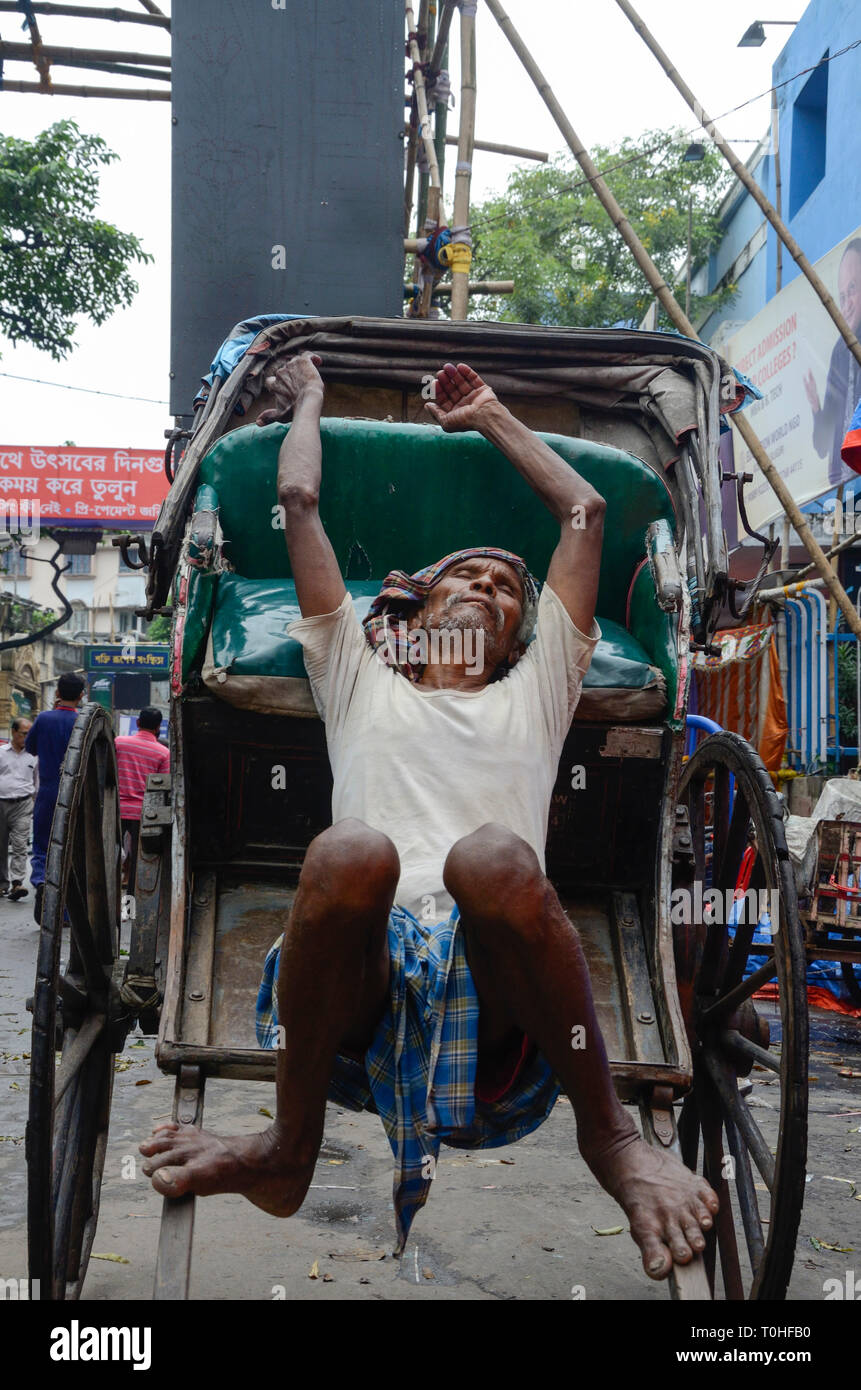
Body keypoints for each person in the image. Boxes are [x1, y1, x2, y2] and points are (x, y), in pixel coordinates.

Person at [141, 355, 718, 1280]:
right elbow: (297, 503)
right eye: (471, 580)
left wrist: (489, 411)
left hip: (501, 989)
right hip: (358, 983)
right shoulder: (353, 670)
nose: (492, 591)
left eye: (508, 591)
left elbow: (588, 517)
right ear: (415, 607)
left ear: (526, 631)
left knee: (489, 857)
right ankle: (287, 1149)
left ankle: (610, 1142)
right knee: (349, 851)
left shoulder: (541, 687)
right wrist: (312, 399)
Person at [25, 672, 85, 923]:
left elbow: (30, 748)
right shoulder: (84, 721)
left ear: (57, 693)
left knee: (42, 845)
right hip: (77, 796)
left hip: (48, 791)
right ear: (81, 696)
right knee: (73, 849)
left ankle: (40, 881)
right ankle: (67, 911)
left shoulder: (44, 718)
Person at [804, 238, 861, 486]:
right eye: (842, 295)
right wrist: (816, 408)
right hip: (845, 476)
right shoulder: (839, 352)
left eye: (853, 289)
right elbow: (823, 444)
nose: (846, 304)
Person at [115, 706, 170, 895]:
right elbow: (163, 788)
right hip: (144, 814)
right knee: (138, 864)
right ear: (158, 728)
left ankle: (111, 905)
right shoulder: (163, 753)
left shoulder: (119, 743)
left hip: (117, 810)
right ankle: (128, 909)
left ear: (137, 723)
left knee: (112, 858)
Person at [0, 717, 37, 901]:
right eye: (24, 734)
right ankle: (2, 884)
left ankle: (17, 883)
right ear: (14, 733)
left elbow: (37, 781)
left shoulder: (33, 755)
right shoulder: (1, 753)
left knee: (20, 844)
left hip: (23, 804)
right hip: (1, 803)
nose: (27, 737)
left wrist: (35, 802)